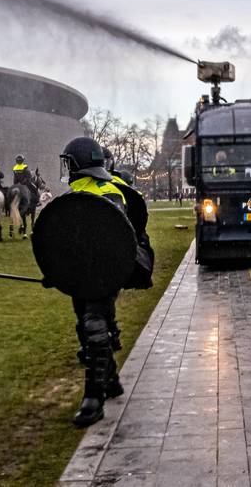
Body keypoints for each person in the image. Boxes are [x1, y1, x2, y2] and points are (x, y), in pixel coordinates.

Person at [58, 136, 153, 427]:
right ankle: (110, 381)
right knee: (86, 324)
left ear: (79, 163)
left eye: (69, 162)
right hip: (81, 273)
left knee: (94, 324)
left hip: (104, 272)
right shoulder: (73, 193)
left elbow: (114, 239)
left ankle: (93, 400)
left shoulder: (111, 193)